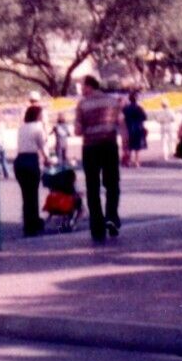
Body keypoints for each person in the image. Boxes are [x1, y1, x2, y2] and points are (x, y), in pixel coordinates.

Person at [75, 75, 124, 242]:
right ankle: (112, 218)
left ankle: (97, 227)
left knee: (92, 187)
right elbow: (120, 123)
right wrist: (125, 146)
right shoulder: (112, 102)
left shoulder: (82, 104)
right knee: (112, 184)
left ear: (89, 86)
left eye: (82, 86)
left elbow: (77, 131)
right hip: (109, 145)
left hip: (90, 147)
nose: (81, 90)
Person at [14, 103, 50, 237]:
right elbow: (42, 145)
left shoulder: (21, 128)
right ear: (38, 115)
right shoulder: (38, 128)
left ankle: (28, 223)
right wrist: (47, 159)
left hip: (20, 160)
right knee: (33, 194)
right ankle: (33, 223)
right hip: (31, 159)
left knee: (26, 195)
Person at [121, 92, 148, 168]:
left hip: (128, 127)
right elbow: (144, 117)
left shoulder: (126, 108)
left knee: (129, 146)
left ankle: (128, 161)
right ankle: (137, 162)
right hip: (138, 128)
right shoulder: (139, 108)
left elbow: (122, 117)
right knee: (137, 146)